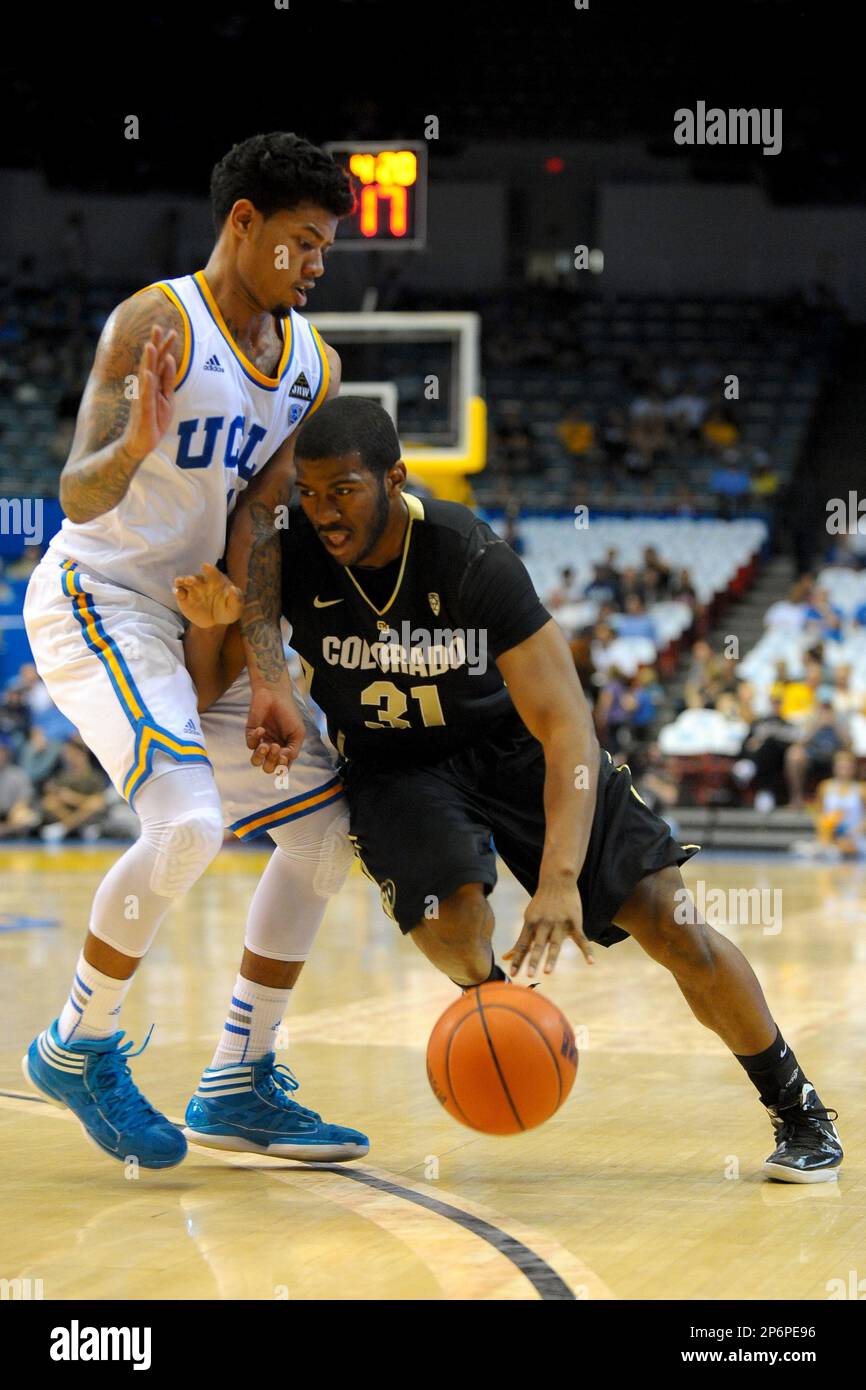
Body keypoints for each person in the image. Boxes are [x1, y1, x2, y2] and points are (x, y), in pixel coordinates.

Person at [178, 396, 842, 1184]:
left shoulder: (466, 555)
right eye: (311, 493)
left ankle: (796, 1103)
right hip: (398, 768)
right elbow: (207, 682)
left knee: (673, 920)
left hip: (514, 750)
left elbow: (567, 727)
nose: (324, 511)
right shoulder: (287, 555)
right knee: (452, 924)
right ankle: (504, 1016)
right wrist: (214, 624)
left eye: (344, 490)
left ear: (394, 478)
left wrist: (559, 882)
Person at [20, 132, 367, 1168]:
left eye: (326, 248)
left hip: (199, 618)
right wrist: (130, 448)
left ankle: (238, 1077)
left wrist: (266, 675)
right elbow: (76, 492)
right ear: (242, 221)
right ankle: (76, 1044)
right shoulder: (156, 319)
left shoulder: (313, 363)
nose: (315, 265)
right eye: (301, 241)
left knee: (322, 835)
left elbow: (259, 525)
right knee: (186, 826)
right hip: (101, 596)